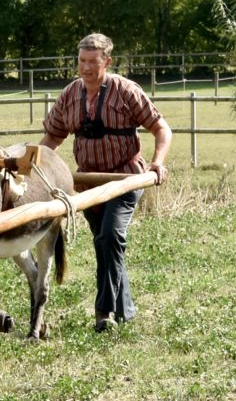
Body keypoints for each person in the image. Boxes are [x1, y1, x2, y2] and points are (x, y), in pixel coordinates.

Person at [40, 33, 172, 332]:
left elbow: (161, 129)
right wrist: (34, 164)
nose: (86, 68)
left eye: (93, 62)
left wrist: (157, 163)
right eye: (81, 61)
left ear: (107, 62)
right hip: (88, 184)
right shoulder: (69, 95)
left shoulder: (126, 91)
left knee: (109, 238)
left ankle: (104, 313)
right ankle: (126, 311)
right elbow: (53, 138)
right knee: (106, 245)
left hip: (125, 178)